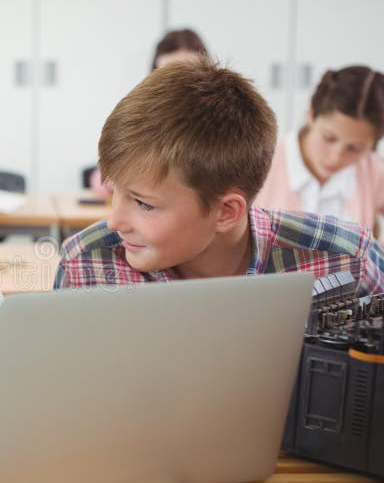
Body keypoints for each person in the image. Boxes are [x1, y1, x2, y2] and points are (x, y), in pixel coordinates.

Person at [55, 57, 384, 296]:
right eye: (117, 192)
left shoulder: (351, 262)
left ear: (226, 212)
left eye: (143, 204)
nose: (114, 222)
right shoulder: (85, 264)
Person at [255, 66, 384, 232]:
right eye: (329, 138)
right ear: (311, 115)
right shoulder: (262, 162)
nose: (336, 157)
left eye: (355, 148)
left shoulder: (372, 169)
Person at [88, 28, 209, 200]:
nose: (178, 85)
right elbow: (103, 179)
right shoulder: (145, 118)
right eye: (167, 75)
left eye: (188, 74)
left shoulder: (224, 123)